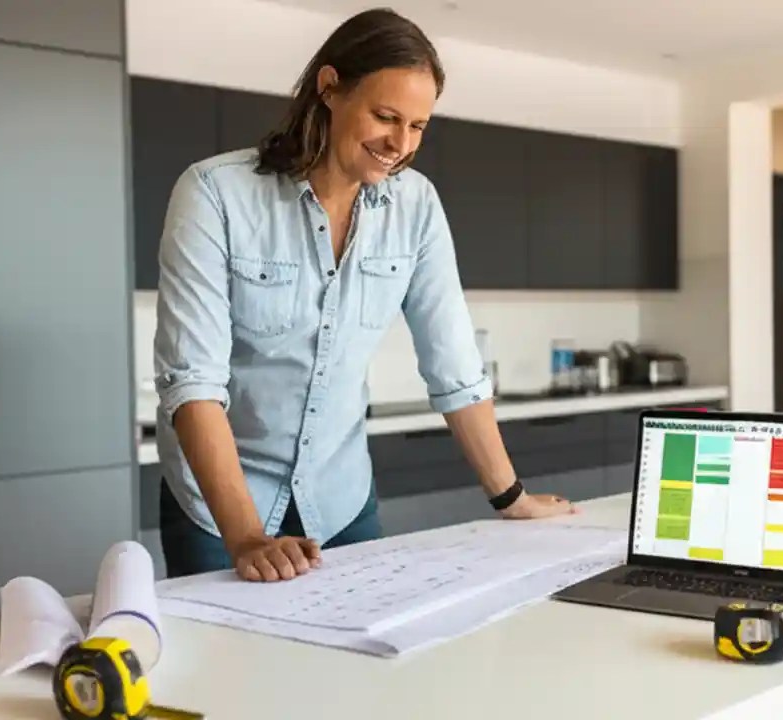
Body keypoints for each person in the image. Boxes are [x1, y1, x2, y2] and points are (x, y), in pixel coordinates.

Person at [152, 8, 576, 583]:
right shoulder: (214, 194)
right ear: (330, 88)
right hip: (221, 512)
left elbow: (453, 364)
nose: (400, 144)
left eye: (419, 126)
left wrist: (510, 497)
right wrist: (248, 538)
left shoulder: (416, 206)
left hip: (342, 501)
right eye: (386, 116)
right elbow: (193, 383)